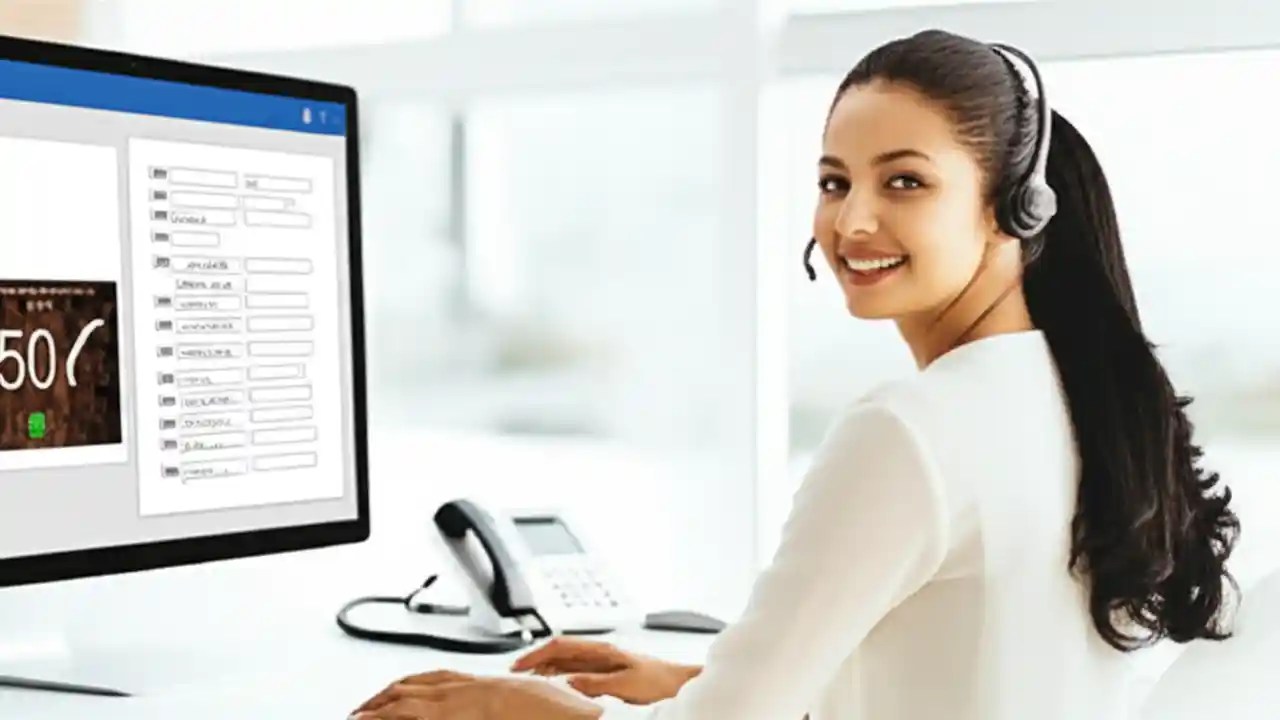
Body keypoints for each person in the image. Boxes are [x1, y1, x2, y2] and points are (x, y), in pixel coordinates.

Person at [348, 28, 1241, 720]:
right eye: (833, 180)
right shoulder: (1081, 392)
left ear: (1015, 208)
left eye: (904, 183)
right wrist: (700, 677)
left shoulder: (911, 429)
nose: (851, 222)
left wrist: (542, 708)